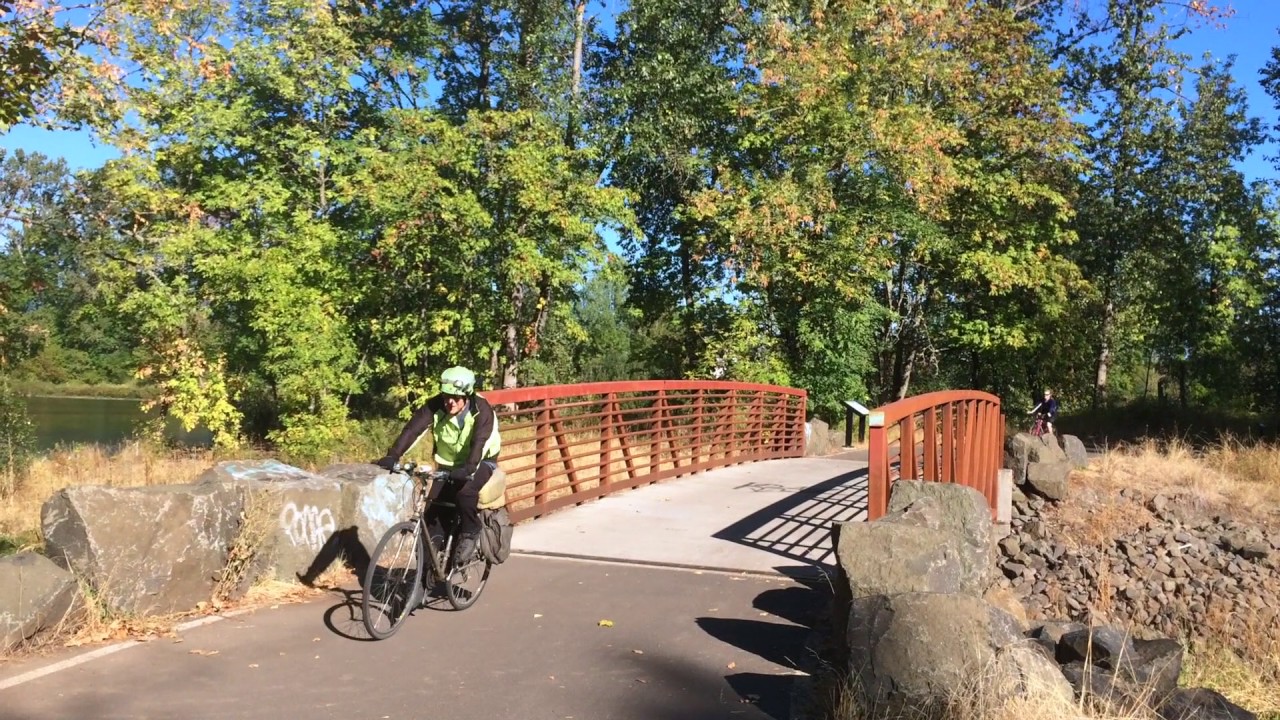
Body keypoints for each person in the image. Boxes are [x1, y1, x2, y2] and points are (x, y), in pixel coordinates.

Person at [373, 366, 501, 564]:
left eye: (455, 397)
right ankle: (424, 580)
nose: (449, 402)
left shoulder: (482, 411)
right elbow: (412, 430)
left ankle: (470, 530)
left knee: (465, 492)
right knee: (433, 515)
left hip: (481, 460)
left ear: (466, 395)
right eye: (446, 395)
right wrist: (393, 456)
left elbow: (480, 443)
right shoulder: (435, 406)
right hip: (448, 463)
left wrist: (468, 469)